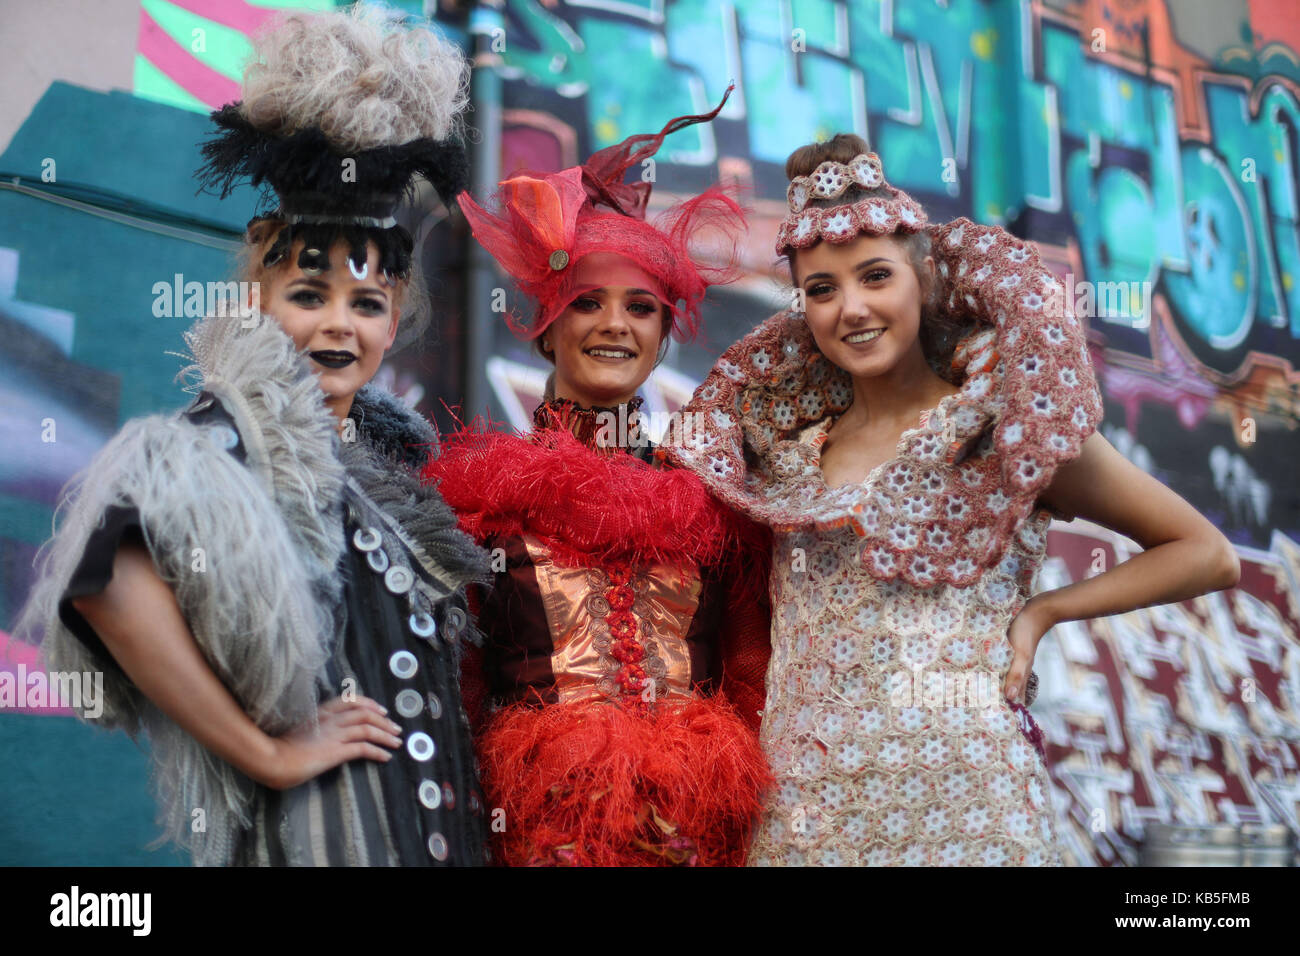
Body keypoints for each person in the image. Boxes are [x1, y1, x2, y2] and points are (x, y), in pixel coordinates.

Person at [663, 134, 1240, 866]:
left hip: (973, 818)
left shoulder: (1004, 426)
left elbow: (1206, 553)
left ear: (924, 280)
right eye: (821, 289)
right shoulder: (782, 456)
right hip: (808, 823)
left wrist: (1044, 614)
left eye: (875, 276)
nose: (852, 308)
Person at [16, 7, 487, 866]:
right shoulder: (229, 439)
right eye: (309, 295)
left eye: (366, 304)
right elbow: (102, 579)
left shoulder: (396, 469)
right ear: (262, 294)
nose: (336, 326)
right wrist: (267, 749)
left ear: (395, 320)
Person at [422, 93, 772, 866]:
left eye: (640, 308)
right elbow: (458, 696)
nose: (615, 325)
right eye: (588, 303)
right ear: (547, 328)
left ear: (661, 334)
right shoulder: (479, 506)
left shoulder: (716, 510)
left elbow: (752, 684)